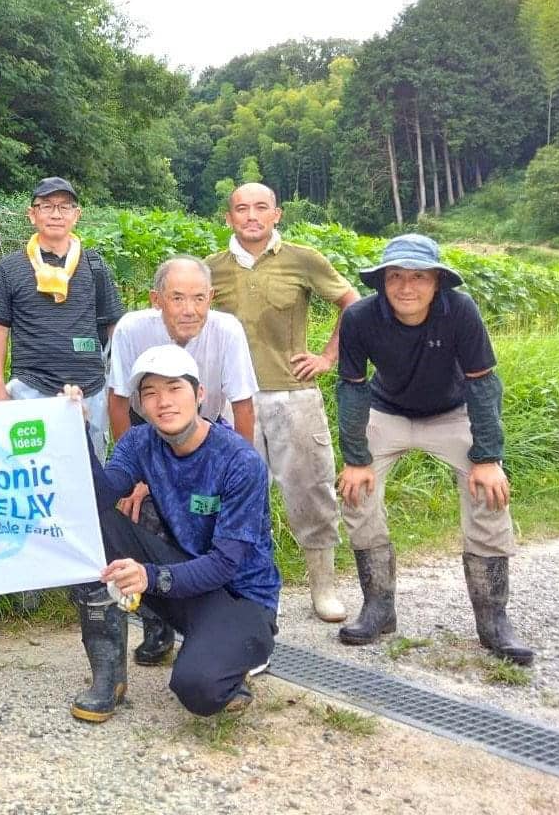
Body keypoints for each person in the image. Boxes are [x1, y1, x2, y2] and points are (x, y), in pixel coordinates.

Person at [334, 233, 533, 666]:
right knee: (355, 492)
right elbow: (350, 390)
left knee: (489, 493)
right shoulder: (360, 318)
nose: (407, 287)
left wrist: (488, 457)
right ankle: (378, 606)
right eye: (396, 277)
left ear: (438, 282)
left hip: (453, 410)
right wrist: (355, 459)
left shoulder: (460, 311)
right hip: (386, 410)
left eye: (419, 277)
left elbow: (483, 383)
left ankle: (493, 620)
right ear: (382, 282)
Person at [66, 345, 279, 723]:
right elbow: (99, 495)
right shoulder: (140, 442)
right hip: (184, 580)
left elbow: (226, 564)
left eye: (175, 388)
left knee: (198, 688)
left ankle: (233, 657)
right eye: (150, 393)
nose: (163, 402)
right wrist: (76, 428)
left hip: (241, 597)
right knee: (96, 525)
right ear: (141, 405)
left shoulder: (239, 461)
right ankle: (109, 675)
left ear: (199, 395)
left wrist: (148, 576)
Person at [205, 182, 359, 623]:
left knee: (311, 488)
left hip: (294, 396)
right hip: (231, 401)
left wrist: (327, 356)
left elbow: (352, 305)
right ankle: (243, 591)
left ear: (277, 214)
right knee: (234, 496)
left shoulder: (303, 259)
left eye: (260, 208)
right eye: (241, 209)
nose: (251, 216)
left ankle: (323, 589)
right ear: (229, 218)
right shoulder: (211, 269)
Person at [104, 255, 258, 666]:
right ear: (157, 300)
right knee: (138, 517)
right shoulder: (132, 330)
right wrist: (136, 474)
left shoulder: (227, 330)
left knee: (217, 534)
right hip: (151, 438)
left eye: (198, 298)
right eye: (177, 298)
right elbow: (119, 402)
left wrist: (243, 471)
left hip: (212, 441)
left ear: (212, 297)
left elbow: (243, 405)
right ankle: (156, 621)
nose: (189, 310)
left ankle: (234, 612)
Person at [0, 176, 124, 462]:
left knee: (89, 474)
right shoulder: (11, 268)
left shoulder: (95, 265)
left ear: (77, 215)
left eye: (65, 206)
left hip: (91, 391)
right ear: (32, 214)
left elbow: (115, 327)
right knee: (31, 474)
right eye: (46, 206)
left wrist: (118, 387)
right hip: (31, 390)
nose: (56, 214)